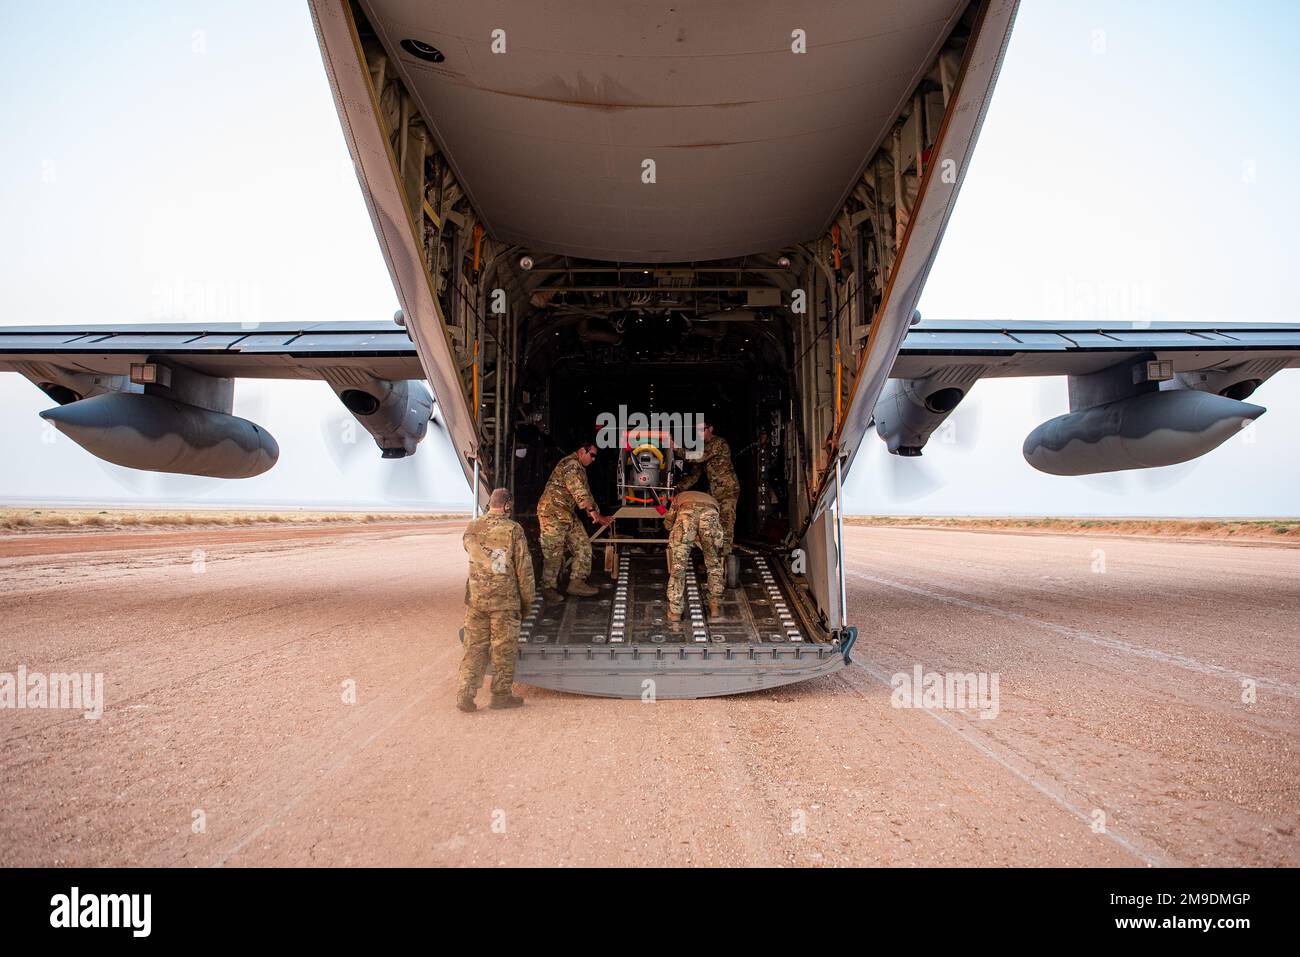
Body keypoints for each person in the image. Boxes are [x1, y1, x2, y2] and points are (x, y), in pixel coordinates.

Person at [458, 488, 534, 712]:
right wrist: (527, 603)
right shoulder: (513, 530)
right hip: (504, 603)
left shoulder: (472, 527)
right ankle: (500, 696)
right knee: (503, 649)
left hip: (476, 601)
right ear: (508, 506)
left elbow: (470, 549)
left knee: (474, 647)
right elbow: (524, 570)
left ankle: (465, 694)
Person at [536, 442, 613, 602]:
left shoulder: (579, 468)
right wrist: (592, 512)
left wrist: (598, 515)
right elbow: (578, 490)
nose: (593, 459)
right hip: (552, 513)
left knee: (583, 545)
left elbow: (587, 494)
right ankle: (548, 587)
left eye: (595, 457)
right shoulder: (571, 465)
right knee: (553, 553)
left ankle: (577, 582)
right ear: (581, 451)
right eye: (591, 455)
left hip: (566, 513)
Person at [676, 419, 739, 556]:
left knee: (726, 522)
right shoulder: (703, 449)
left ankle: (726, 557)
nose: (699, 433)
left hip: (728, 490)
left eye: (702, 430)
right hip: (713, 492)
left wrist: (676, 448)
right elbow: (694, 475)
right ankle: (713, 557)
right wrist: (677, 489)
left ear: (711, 429)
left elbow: (698, 458)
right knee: (709, 523)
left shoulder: (718, 443)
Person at [663, 490, 726, 624]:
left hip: (686, 517)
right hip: (711, 515)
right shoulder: (712, 499)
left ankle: (675, 611)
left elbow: (669, 521)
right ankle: (715, 605)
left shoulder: (679, 497)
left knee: (678, 567)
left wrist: (670, 529)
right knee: (713, 563)